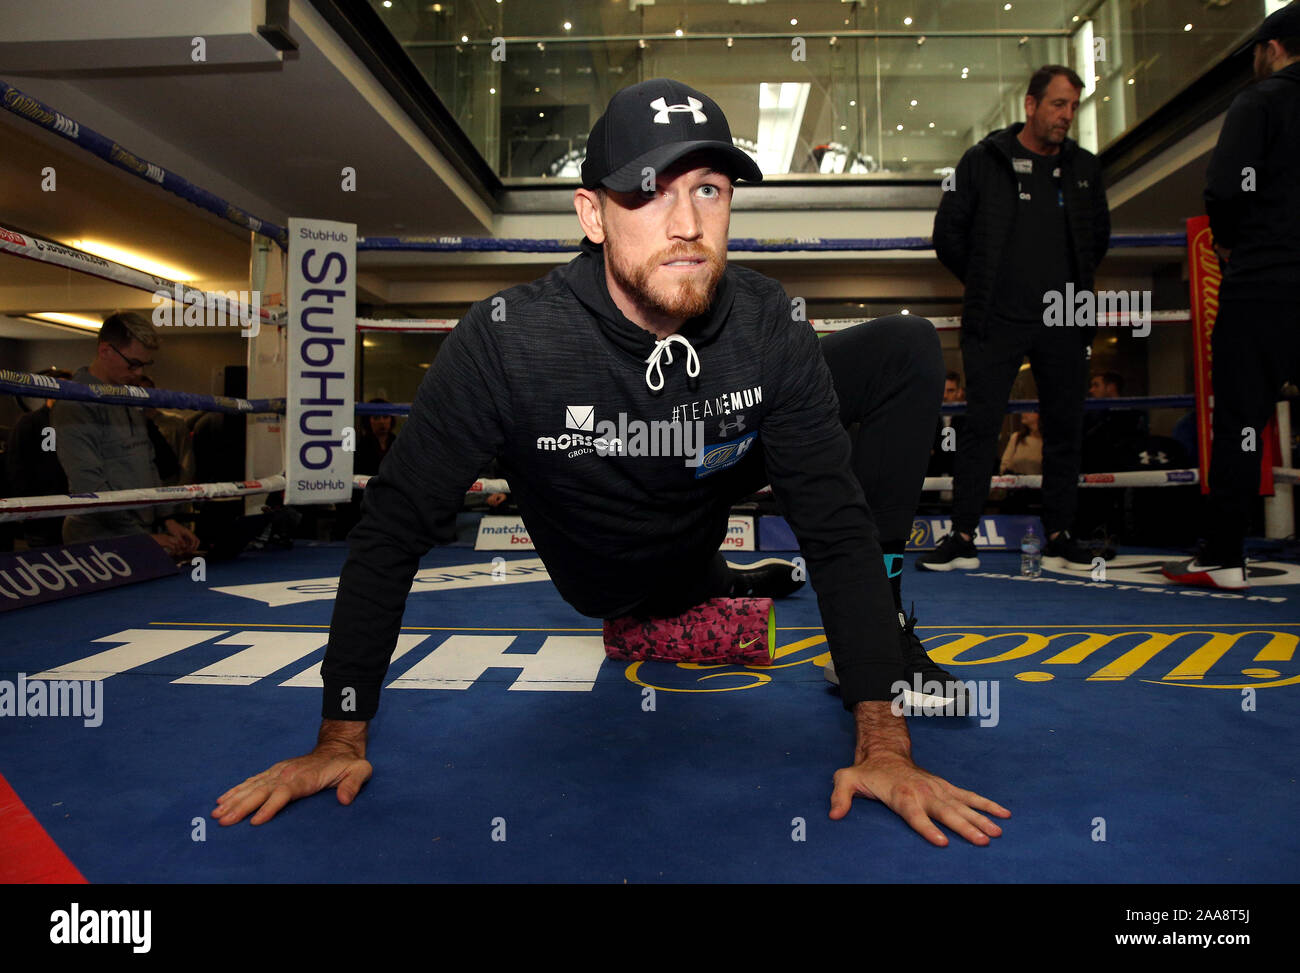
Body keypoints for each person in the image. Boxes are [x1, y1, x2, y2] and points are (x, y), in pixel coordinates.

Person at [214, 79, 1009, 847]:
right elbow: (390, 533)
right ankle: (714, 579)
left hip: (706, 464)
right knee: (660, 582)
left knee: (903, 343)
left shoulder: (769, 325)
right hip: (607, 560)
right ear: (591, 214)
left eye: (709, 189)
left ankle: (847, 612)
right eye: (649, 191)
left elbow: (834, 530)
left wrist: (883, 743)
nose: (688, 222)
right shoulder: (509, 343)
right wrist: (338, 736)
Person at [924, 64, 1110, 573]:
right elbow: (949, 235)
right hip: (998, 318)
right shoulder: (983, 160)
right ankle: (963, 537)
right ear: (1030, 105)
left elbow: (1098, 238)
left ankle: (1060, 537)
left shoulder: (1085, 168)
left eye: (1073, 106)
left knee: (1065, 429)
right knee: (981, 427)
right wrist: (988, 282)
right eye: (1058, 105)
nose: (1066, 116)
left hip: (1066, 319)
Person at [1164, 2, 1300, 590]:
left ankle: (1224, 554)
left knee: (1242, 421)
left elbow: (1225, 187)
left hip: (1263, 285)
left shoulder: (1261, 100)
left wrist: (1231, 243)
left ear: (1271, 48)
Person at [52, 312, 198, 557]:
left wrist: (168, 520)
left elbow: (148, 464)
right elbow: (88, 485)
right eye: (132, 363)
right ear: (105, 351)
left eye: (144, 365)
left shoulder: (127, 396)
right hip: (99, 540)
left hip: (139, 531)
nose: (139, 372)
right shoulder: (74, 403)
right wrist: (144, 538)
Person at [5, 367, 72, 548]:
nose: (66, 394)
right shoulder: (31, 422)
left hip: (72, 508)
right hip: (42, 511)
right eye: (61, 388)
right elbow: (16, 466)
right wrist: (24, 508)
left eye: (70, 389)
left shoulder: (77, 426)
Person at [927, 371, 966, 477]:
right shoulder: (928, 420)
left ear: (959, 392)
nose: (944, 396)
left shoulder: (966, 421)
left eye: (950, 391)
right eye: (941, 390)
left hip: (959, 477)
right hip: (932, 479)